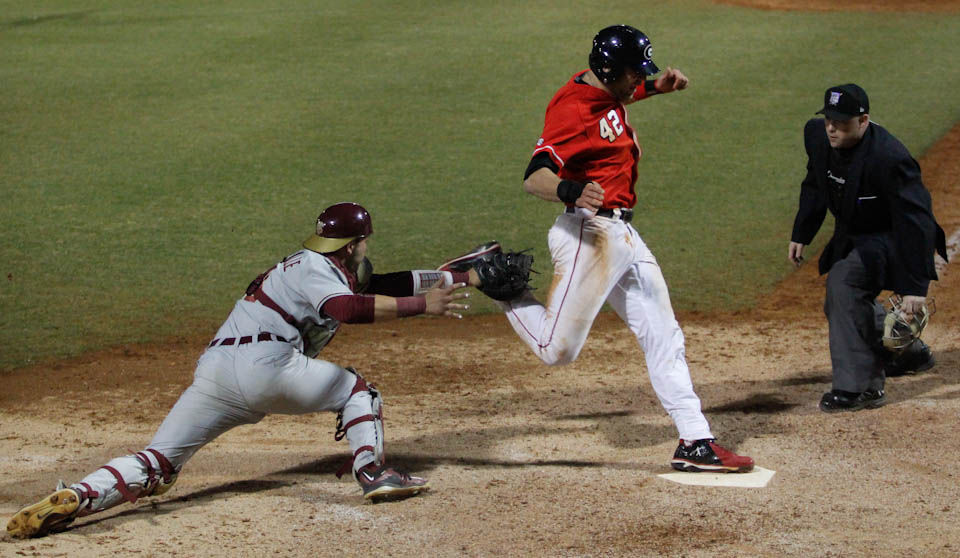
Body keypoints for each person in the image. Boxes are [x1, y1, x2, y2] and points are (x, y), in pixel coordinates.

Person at [7, 202, 471, 538]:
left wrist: (459, 277)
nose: (367, 248)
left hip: (215, 372)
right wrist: (422, 306)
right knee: (357, 391)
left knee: (160, 465)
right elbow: (348, 308)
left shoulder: (313, 264)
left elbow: (377, 284)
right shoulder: (316, 270)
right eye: (364, 240)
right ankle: (372, 473)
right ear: (352, 245)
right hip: (266, 368)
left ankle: (81, 496)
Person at [440, 25, 753, 473]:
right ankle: (497, 280)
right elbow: (535, 176)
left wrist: (654, 88)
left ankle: (695, 441)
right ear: (611, 69)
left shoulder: (602, 90)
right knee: (557, 351)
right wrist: (571, 190)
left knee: (664, 336)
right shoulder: (572, 110)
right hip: (591, 236)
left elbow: (611, 106)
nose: (636, 80)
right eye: (633, 73)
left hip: (623, 237)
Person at [788, 84, 947, 412]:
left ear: (863, 120)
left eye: (842, 122)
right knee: (844, 299)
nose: (832, 128)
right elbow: (817, 182)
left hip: (894, 237)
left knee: (843, 284)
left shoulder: (889, 157)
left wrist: (916, 285)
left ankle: (861, 387)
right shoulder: (817, 136)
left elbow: (916, 221)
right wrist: (802, 231)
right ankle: (906, 351)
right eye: (829, 119)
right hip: (854, 232)